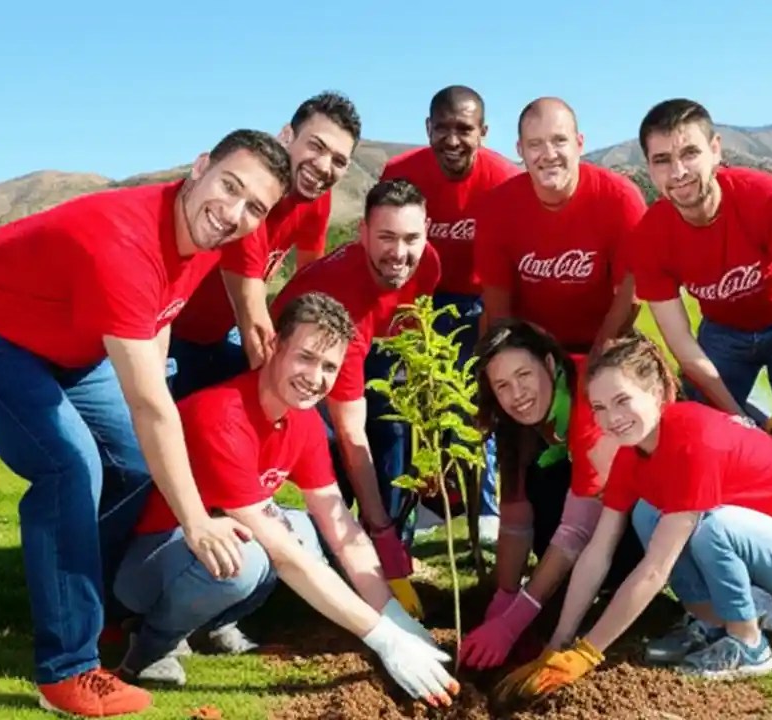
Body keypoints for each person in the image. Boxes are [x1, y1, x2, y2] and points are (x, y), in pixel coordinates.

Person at [0, 129, 292, 717]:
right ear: (200, 166)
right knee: (68, 465)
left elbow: (161, 327)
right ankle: (67, 671)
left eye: (255, 206)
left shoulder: (212, 234)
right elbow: (149, 403)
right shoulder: (126, 240)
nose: (234, 212)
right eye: (229, 186)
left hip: (62, 341)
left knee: (134, 463)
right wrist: (195, 523)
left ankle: (92, 603)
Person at [113, 292, 460, 708]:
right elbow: (282, 555)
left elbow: (340, 525)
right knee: (250, 558)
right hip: (146, 565)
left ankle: (208, 625)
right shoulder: (224, 417)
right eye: (306, 357)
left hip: (199, 557)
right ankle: (151, 644)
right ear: (274, 346)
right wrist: (383, 639)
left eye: (329, 366)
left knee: (305, 531)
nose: (316, 376)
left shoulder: (304, 421)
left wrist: (392, 613)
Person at [494, 333, 772, 704]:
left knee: (712, 526)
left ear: (659, 392)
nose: (611, 418)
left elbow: (654, 570)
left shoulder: (694, 439)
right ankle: (709, 623)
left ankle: (749, 646)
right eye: (598, 408)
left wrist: (587, 653)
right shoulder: (632, 455)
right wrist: (558, 643)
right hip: (760, 546)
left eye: (622, 401)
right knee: (648, 512)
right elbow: (598, 551)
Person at [628, 97, 772, 493]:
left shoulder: (765, 198)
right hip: (724, 331)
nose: (678, 172)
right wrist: (735, 416)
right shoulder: (649, 236)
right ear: (649, 168)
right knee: (700, 427)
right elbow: (680, 341)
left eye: (690, 152)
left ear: (715, 150)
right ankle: (719, 522)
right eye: (661, 160)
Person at [268, 178, 441, 620]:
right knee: (332, 455)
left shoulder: (429, 265)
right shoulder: (342, 298)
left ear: (427, 231)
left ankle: (391, 556)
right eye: (385, 237)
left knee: (396, 430)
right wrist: (379, 530)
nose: (399, 253)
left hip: (373, 350)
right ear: (362, 233)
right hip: (299, 370)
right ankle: (347, 562)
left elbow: (411, 344)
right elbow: (350, 429)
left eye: (410, 238)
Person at [458, 318, 645, 671]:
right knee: (540, 480)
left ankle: (618, 584)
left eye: (524, 375)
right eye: (502, 385)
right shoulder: (518, 421)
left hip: (647, 512)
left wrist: (512, 625)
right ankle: (559, 589)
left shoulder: (590, 403)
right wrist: (505, 594)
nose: (517, 395)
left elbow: (577, 530)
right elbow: (514, 513)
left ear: (548, 363)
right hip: (600, 505)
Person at [380, 86, 522, 544]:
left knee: (475, 401)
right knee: (415, 404)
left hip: (481, 299)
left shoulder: (503, 178)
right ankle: (424, 509)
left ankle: (485, 512)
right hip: (419, 300)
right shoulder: (401, 174)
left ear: (483, 132)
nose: (453, 139)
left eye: (464, 129)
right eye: (442, 128)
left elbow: (514, 260)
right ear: (427, 129)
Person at [168, 92, 362, 401]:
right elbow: (251, 314)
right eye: (316, 146)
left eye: (339, 160)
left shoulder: (316, 201)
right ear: (286, 135)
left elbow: (309, 280)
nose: (325, 166)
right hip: (169, 333)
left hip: (220, 332)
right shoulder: (249, 199)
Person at [473, 97, 647, 357]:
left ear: (579, 143)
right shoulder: (497, 208)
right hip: (527, 342)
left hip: (603, 339)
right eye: (535, 144)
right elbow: (498, 308)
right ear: (520, 149)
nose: (549, 154)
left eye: (559, 141)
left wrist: (599, 356)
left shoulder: (620, 199)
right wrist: (518, 359)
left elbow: (630, 294)